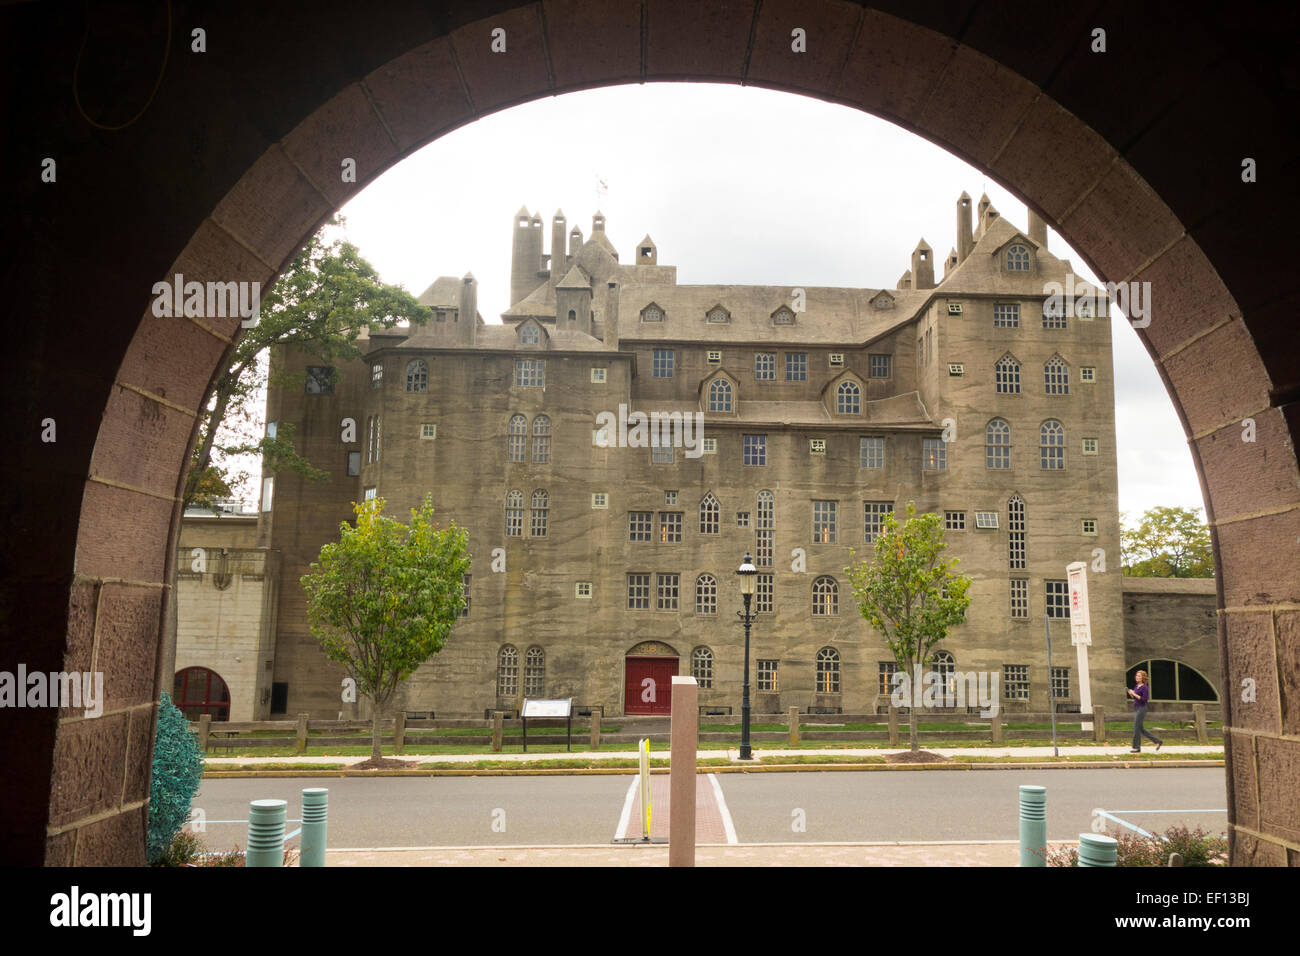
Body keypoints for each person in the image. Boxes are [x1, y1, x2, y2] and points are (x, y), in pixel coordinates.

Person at [1126, 670, 1162, 753]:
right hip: (1137, 708)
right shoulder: (1137, 686)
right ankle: (1157, 741)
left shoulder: (1145, 687)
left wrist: (1134, 694)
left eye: (1139, 676)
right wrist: (1131, 693)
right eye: (1136, 675)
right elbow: (1135, 698)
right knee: (1140, 728)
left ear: (1143, 678)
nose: (1137, 677)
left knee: (1136, 727)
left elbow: (1144, 700)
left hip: (1142, 708)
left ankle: (1136, 747)